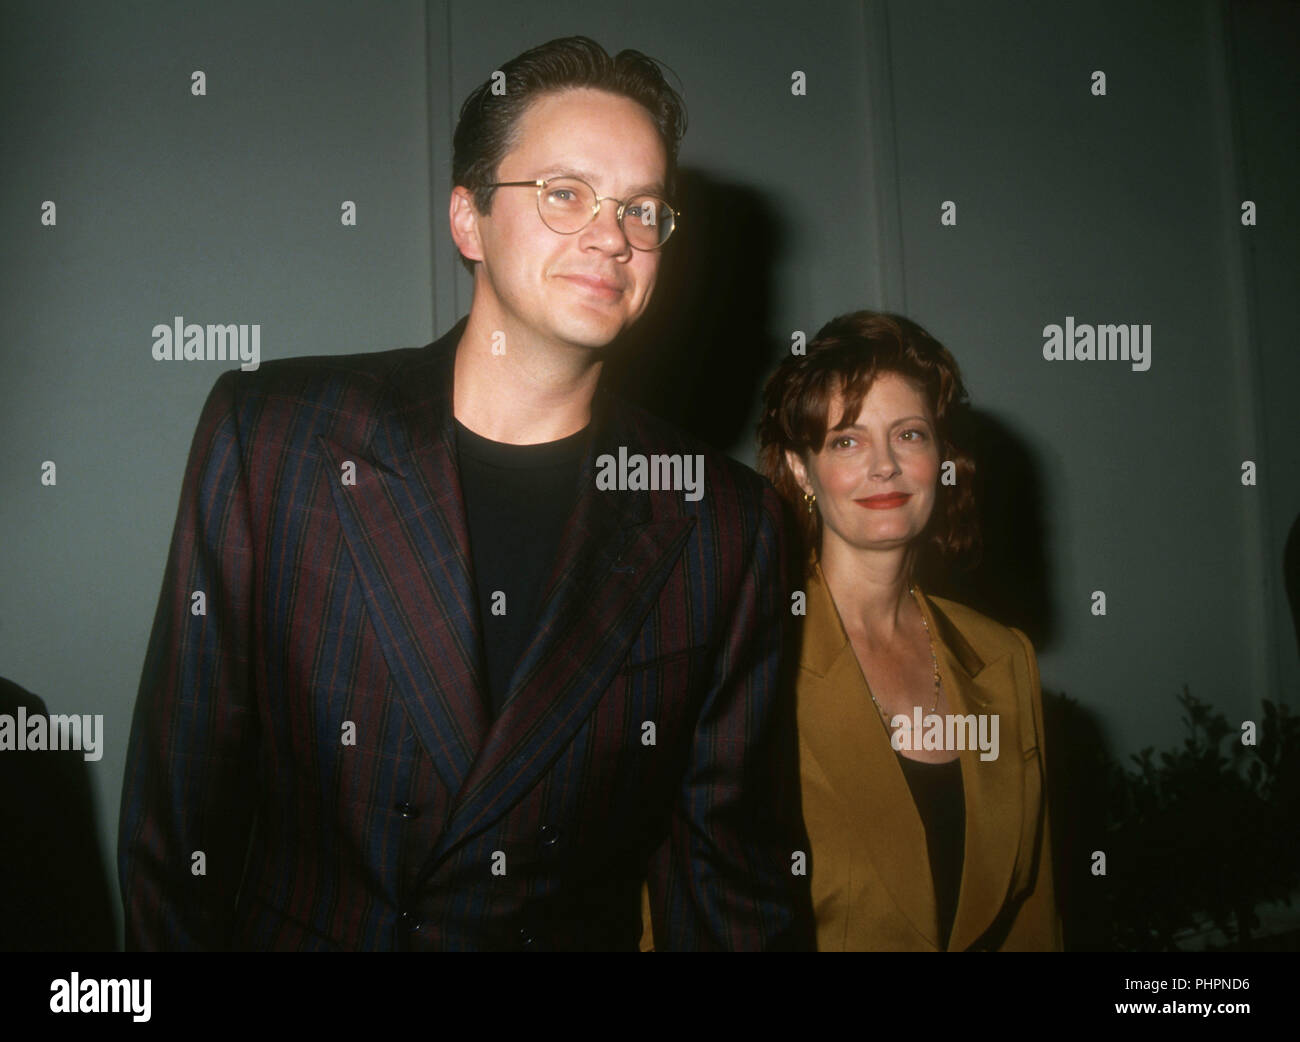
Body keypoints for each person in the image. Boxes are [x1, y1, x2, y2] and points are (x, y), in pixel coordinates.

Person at [118, 36, 812, 951]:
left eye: (643, 210)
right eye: (565, 193)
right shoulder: (277, 435)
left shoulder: (727, 524)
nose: (611, 235)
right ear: (468, 219)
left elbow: (733, 888)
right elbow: (181, 812)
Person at [757, 311, 1061, 951]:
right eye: (846, 440)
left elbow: (1032, 921)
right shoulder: (749, 652)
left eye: (911, 435)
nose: (885, 466)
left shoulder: (1003, 657)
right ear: (798, 470)